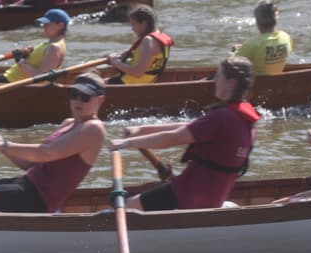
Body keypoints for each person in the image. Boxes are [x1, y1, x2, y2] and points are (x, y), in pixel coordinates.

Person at [110, 56, 261, 210]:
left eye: (219, 75)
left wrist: (128, 143)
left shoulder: (221, 117)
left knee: (127, 208)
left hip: (186, 195)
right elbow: (189, 126)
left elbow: (173, 138)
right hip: (211, 198)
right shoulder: (243, 120)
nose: (215, 80)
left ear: (231, 83)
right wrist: (142, 129)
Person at [0, 72, 108, 213]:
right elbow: (31, 164)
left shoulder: (94, 128)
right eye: (74, 94)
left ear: (100, 100)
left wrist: (4, 145)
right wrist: (3, 147)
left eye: (85, 97)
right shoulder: (67, 123)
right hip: (26, 184)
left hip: (40, 199)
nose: (77, 100)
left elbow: (47, 153)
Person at [0, 9, 69, 83]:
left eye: (48, 24)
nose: (44, 26)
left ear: (60, 25)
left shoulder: (54, 48)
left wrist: (20, 61)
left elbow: (42, 77)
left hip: (15, 82)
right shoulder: (50, 44)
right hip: (13, 78)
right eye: (44, 24)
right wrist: (26, 54)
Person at [106, 4, 173, 84]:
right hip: (145, 82)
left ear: (143, 23)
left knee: (95, 84)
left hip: (129, 84)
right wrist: (126, 53)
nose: (132, 28)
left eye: (133, 24)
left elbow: (138, 72)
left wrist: (115, 62)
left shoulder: (148, 40)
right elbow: (146, 55)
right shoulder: (159, 39)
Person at [233, 0, 293, 75]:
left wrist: (233, 52)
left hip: (257, 82)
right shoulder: (286, 37)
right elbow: (267, 47)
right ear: (275, 18)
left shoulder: (252, 44)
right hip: (279, 80)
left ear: (257, 21)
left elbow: (231, 66)